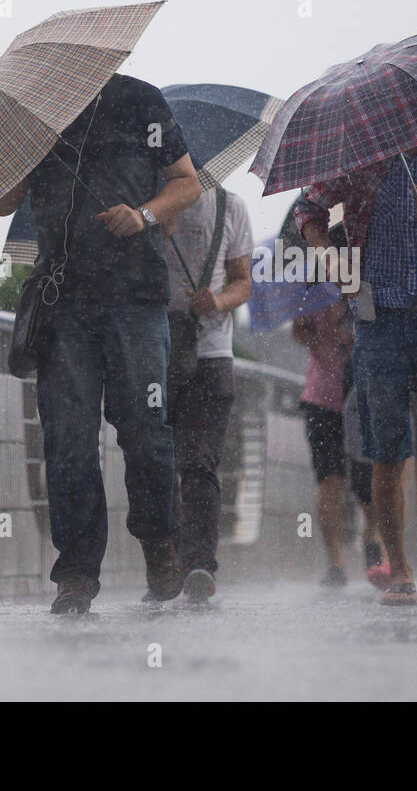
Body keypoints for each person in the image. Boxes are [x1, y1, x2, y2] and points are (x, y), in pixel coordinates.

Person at [0, 74, 201, 615]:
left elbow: (187, 183)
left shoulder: (139, 99)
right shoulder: (34, 111)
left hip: (136, 297)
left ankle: (158, 540)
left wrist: (143, 215)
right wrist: (21, 143)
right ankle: (77, 573)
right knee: (68, 440)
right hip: (63, 300)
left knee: (145, 429)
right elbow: (2, 203)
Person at [297, 136, 417, 606]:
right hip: (378, 320)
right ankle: (401, 571)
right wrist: (329, 253)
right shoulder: (359, 161)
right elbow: (308, 209)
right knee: (386, 449)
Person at [160, 183, 253, 603]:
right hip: (155, 351)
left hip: (211, 355)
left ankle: (199, 563)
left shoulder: (230, 206)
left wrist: (216, 301)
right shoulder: (148, 203)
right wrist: (152, 231)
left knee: (199, 461)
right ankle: (165, 561)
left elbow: (242, 282)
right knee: (157, 465)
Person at [293, 299, 386, 588]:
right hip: (321, 396)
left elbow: (381, 335)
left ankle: (372, 537)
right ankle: (335, 561)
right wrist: (324, 329)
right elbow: (300, 334)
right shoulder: (313, 291)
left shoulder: (366, 287)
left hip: (361, 395)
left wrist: (350, 328)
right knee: (328, 478)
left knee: (366, 481)